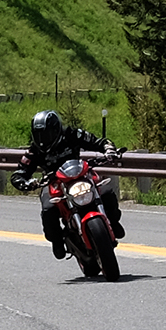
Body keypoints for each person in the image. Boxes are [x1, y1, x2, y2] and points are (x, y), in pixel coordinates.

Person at [10, 109, 123, 260]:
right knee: (48, 208)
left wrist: (108, 150)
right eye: (39, 134)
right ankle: (56, 241)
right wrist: (26, 182)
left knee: (107, 191)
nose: (43, 138)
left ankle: (114, 222)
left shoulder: (72, 134)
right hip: (54, 183)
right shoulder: (34, 150)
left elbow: (98, 142)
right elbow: (20, 172)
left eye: (47, 133)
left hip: (80, 175)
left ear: (56, 129)